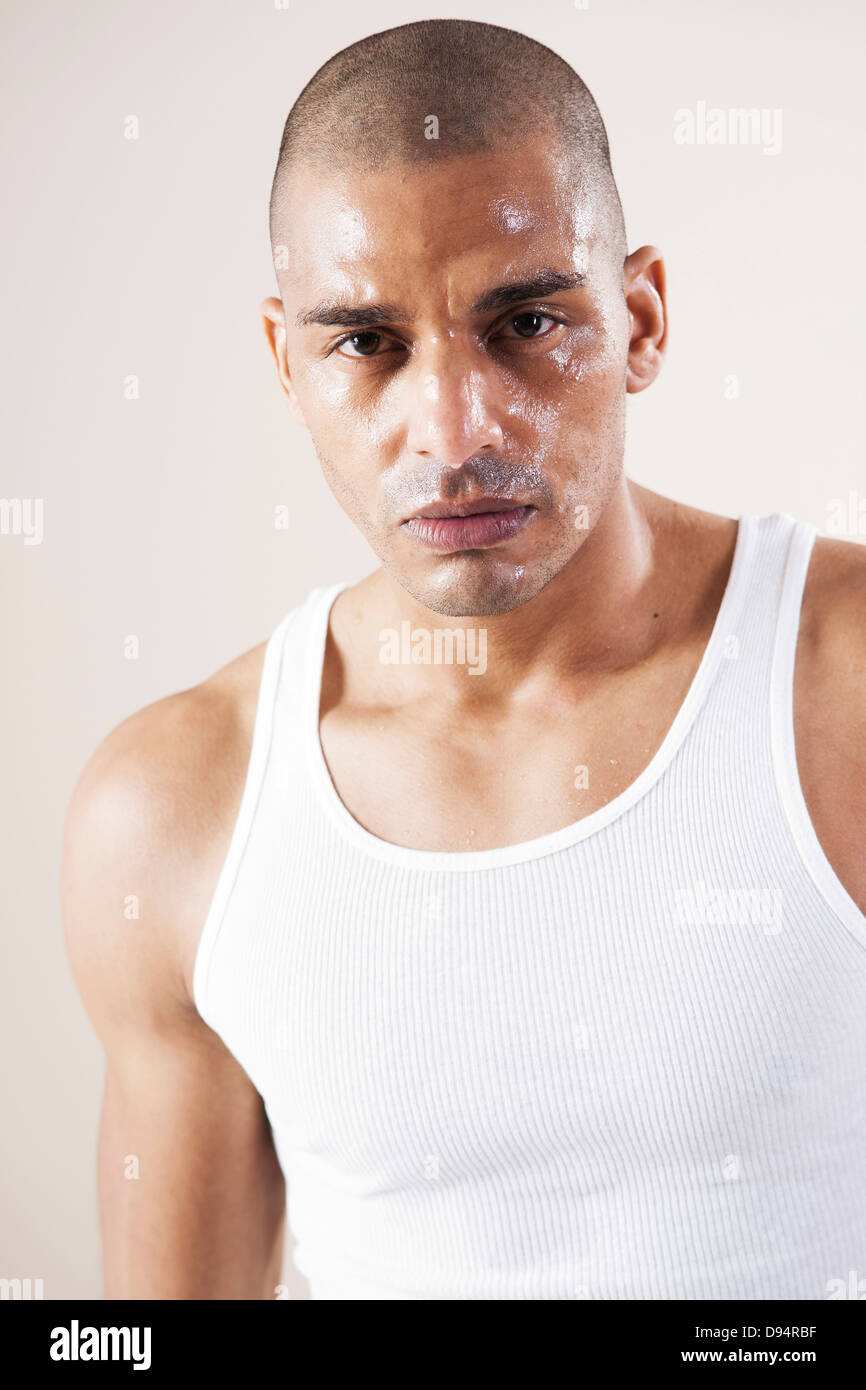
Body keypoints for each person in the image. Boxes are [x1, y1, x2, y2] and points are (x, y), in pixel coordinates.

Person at [62, 19, 866, 1300]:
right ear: (286, 362)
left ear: (639, 318)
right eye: (365, 343)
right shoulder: (172, 809)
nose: (451, 428)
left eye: (525, 321)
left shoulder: (838, 684)